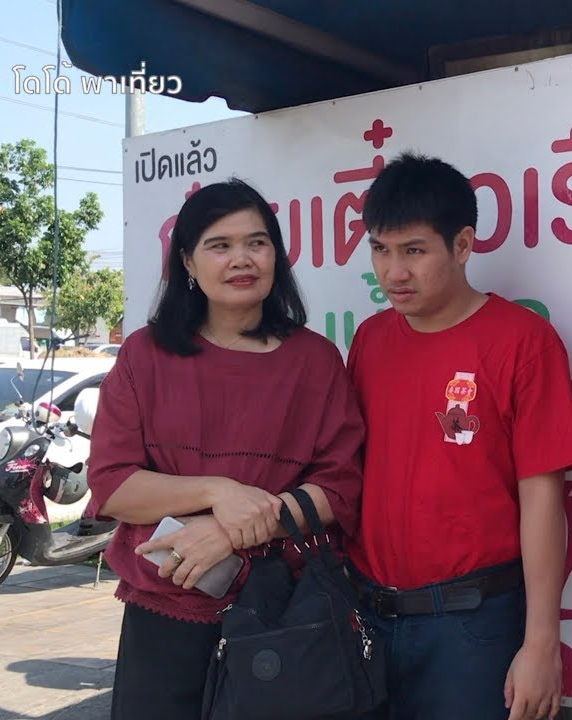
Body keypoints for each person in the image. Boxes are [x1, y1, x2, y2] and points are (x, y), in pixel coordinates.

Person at [84, 178, 366, 720]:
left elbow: (340, 486)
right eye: (220, 245)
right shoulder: (145, 355)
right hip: (165, 606)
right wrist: (219, 491)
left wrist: (227, 529)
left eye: (257, 243)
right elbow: (113, 485)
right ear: (187, 262)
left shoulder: (315, 360)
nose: (242, 259)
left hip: (287, 613)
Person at [345, 152, 572, 720]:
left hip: (472, 626)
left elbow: (543, 499)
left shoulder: (524, 342)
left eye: (413, 251)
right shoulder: (370, 340)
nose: (393, 273)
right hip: (369, 615)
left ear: (462, 244)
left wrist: (540, 644)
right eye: (380, 250)